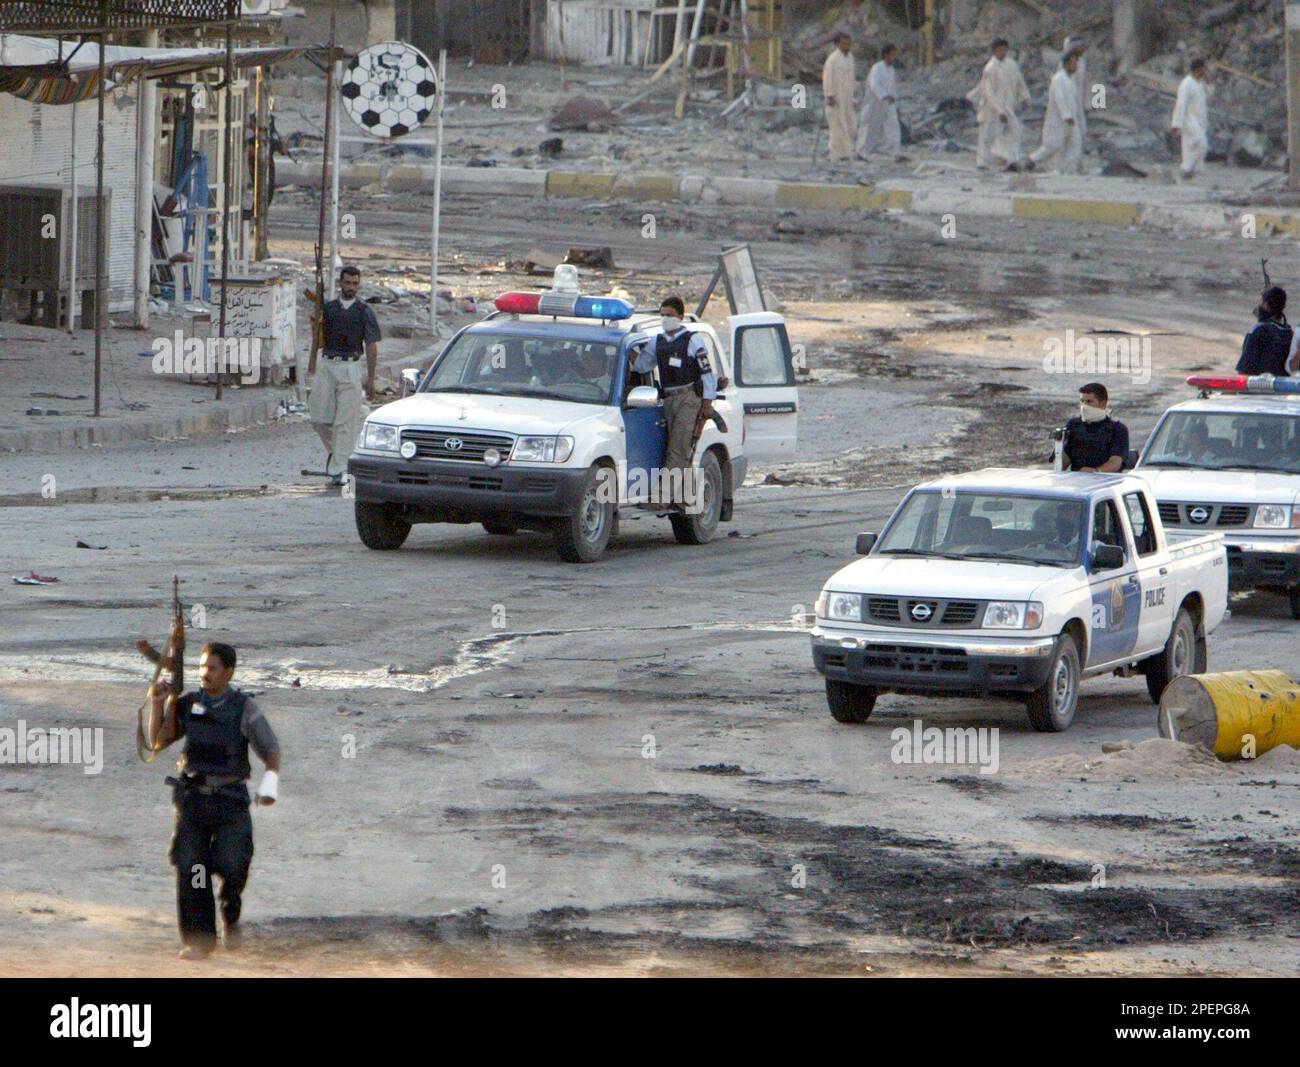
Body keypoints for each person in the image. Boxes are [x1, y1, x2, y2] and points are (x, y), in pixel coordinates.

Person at [148, 642, 281, 960]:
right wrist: (158, 704)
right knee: (193, 869)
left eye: (213, 668)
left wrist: (270, 782)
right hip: (193, 803)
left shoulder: (243, 708)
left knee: (233, 865)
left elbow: (271, 749)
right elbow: (158, 741)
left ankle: (230, 908)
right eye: (202, 667)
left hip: (229, 802)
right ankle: (199, 940)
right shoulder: (190, 703)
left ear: (229, 672)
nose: (205, 673)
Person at [630, 297, 717, 507]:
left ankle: (662, 497)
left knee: (678, 448)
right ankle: (687, 497)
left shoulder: (692, 340)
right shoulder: (657, 342)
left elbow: (707, 373)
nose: (665, 319)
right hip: (668, 399)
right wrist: (628, 352)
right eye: (662, 315)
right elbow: (642, 366)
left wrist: (707, 402)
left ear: (679, 316)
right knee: (679, 448)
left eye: (669, 315)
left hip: (689, 399)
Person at [310, 266, 381, 484]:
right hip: (328, 365)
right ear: (340, 283)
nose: (351, 287)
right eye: (347, 283)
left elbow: (371, 345)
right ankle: (341, 455)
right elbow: (318, 338)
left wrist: (371, 378)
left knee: (344, 423)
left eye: (355, 284)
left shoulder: (364, 311)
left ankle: (339, 470)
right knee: (319, 419)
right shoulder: (329, 308)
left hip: (351, 367)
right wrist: (315, 323)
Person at [968, 39, 1030, 171]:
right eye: (1000, 50)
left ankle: (1012, 160)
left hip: (1008, 107)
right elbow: (989, 93)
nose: (1003, 52)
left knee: (1015, 132)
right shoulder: (990, 69)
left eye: (1005, 50)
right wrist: (999, 111)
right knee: (986, 137)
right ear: (994, 51)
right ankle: (982, 163)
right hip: (991, 110)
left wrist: (1025, 97)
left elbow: (1020, 82)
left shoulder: (1011, 65)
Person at [1029, 50, 1084, 174]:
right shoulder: (1058, 79)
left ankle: (1069, 169)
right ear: (1066, 64)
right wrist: (1066, 115)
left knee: (1075, 145)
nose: (1075, 66)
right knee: (1053, 146)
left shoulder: (1071, 80)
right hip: (1059, 120)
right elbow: (1060, 98)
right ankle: (1031, 160)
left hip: (1071, 120)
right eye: (1073, 63)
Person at [1062, 383, 1130, 473]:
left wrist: (1096, 471)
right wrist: (1058, 451)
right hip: (1077, 480)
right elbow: (1064, 460)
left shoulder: (1117, 429)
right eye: (1082, 401)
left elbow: (1115, 462)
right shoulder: (1073, 425)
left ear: (1103, 403)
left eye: (1089, 402)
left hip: (1107, 481)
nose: (1084, 406)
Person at [858, 43, 904, 161]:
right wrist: (883, 95)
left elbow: (892, 86)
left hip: (888, 103)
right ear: (886, 55)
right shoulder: (877, 68)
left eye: (895, 54)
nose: (894, 57)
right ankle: (862, 151)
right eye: (892, 54)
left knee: (893, 126)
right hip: (875, 102)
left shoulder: (891, 70)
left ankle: (895, 152)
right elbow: (874, 84)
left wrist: (893, 96)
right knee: (870, 126)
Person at [1237, 285, 1294, 376]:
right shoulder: (1289, 333)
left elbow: (1244, 370)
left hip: (1258, 387)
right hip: (1282, 388)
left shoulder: (1259, 330)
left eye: (1262, 303)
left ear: (1266, 306)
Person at [1171, 58, 1209, 180]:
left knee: (1191, 148)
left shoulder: (1200, 83)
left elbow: (1205, 97)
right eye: (1204, 68)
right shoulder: (1186, 84)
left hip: (1200, 121)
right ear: (1198, 69)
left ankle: (1190, 174)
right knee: (1201, 144)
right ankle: (1185, 169)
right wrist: (1177, 125)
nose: (1206, 71)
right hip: (1189, 120)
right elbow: (1180, 104)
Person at [821, 33, 857, 164]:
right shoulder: (833, 59)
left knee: (849, 125)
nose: (847, 46)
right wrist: (829, 95)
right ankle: (836, 154)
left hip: (847, 97)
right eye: (844, 43)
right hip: (836, 97)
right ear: (837, 44)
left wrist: (853, 96)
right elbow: (827, 77)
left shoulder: (850, 58)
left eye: (848, 43)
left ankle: (845, 152)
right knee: (837, 127)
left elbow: (851, 78)